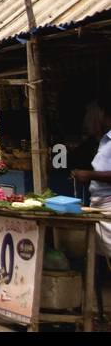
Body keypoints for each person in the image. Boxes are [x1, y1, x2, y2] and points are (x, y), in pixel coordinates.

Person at [71, 101, 111, 258]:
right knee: (101, 252)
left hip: (108, 204)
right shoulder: (105, 139)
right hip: (100, 204)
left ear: (102, 114)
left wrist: (88, 175)